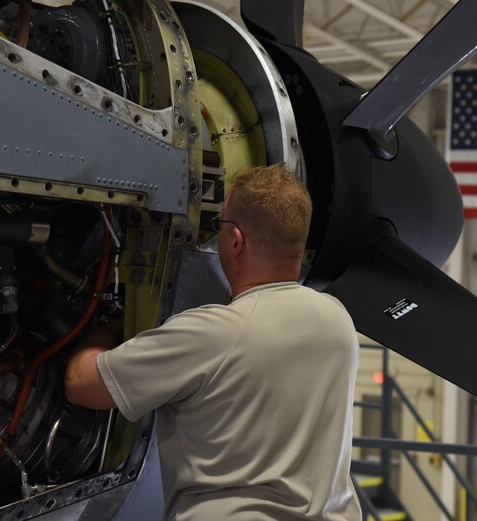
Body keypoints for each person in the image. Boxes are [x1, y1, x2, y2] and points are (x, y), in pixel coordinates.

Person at [65, 163, 362, 521]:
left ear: (235, 240)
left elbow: (82, 385)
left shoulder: (213, 334)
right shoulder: (338, 322)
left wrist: (106, 330)